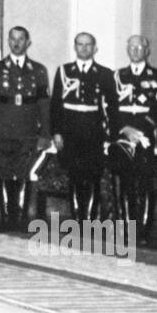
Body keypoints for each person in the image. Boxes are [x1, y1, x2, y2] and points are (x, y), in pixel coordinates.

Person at [0, 26, 50, 231]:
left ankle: (19, 219)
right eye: (13, 39)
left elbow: (44, 105)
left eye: (21, 39)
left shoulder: (38, 70)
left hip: (27, 130)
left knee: (24, 173)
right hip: (2, 129)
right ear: (8, 42)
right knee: (5, 173)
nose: (16, 43)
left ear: (28, 42)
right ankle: (6, 219)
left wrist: (45, 134)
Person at [50, 32, 118, 221]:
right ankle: (77, 219)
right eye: (80, 44)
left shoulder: (105, 74)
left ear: (95, 48)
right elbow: (56, 104)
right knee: (74, 177)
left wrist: (109, 137)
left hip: (94, 133)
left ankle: (88, 219)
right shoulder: (64, 71)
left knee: (93, 177)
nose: (84, 48)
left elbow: (111, 108)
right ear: (75, 47)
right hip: (70, 132)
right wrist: (56, 132)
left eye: (88, 45)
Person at [110, 35, 157, 239]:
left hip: (146, 136)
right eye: (132, 47)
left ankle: (143, 230)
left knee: (145, 182)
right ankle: (127, 228)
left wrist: (141, 131)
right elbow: (111, 108)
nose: (135, 51)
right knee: (125, 181)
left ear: (147, 50)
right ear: (127, 50)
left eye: (139, 47)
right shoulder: (117, 75)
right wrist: (125, 129)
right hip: (123, 136)